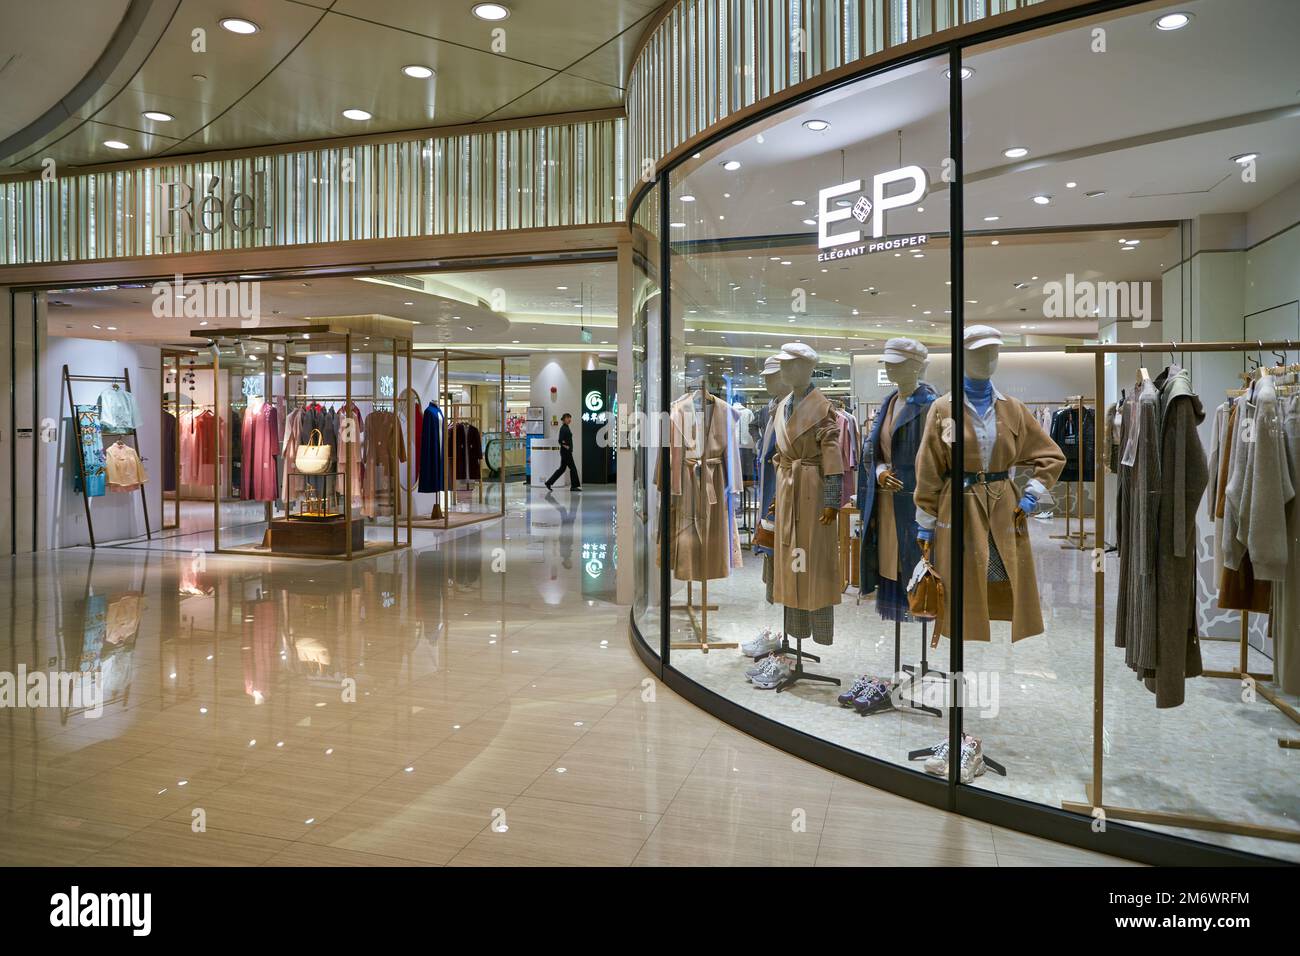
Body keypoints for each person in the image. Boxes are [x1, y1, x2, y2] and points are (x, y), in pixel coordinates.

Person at [545, 413, 581, 491]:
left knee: (562, 469)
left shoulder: (566, 427)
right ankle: (574, 486)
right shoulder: (563, 428)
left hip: (565, 452)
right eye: (568, 418)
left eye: (570, 418)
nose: (569, 419)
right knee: (573, 468)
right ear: (564, 419)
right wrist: (566, 446)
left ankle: (548, 482)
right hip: (566, 452)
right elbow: (560, 440)